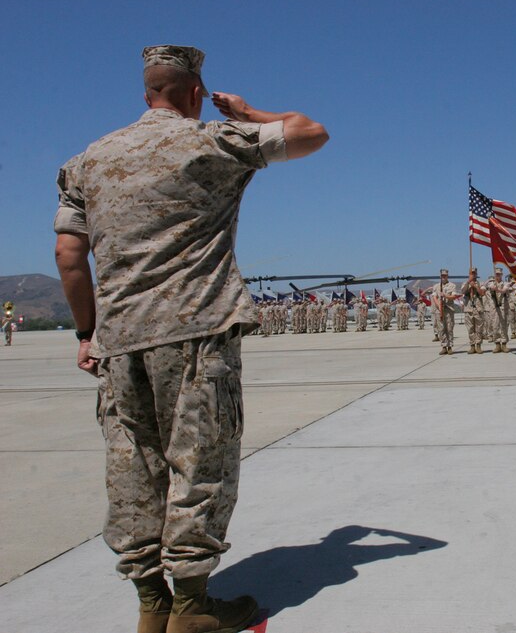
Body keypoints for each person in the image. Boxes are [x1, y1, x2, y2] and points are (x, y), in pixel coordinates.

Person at [53, 45, 328, 633]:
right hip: (195, 331)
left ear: (146, 92)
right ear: (196, 91)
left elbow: (69, 254)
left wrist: (86, 332)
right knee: (200, 462)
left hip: (118, 341)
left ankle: (151, 605)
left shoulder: (87, 162)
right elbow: (311, 133)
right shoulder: (210, 142)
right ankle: (193, 606)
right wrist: (248, 110)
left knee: (134, 467)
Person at [432, 269, 458, 354]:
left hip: (449, 309)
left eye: (445, 275)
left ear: (447, 276)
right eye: (442, 275)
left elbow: (454, 297)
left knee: (449, 328)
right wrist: (439, 306)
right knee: (441, 328)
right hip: (439, 310)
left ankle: (450, 346)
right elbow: (434, 297)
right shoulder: (436, 286)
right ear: (440, 276)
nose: (443, 277)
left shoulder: (452, 285)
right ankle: (444, 346)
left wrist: (445, 296)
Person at [461, 267, 485, 354]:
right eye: (471, 273)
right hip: (469, 309)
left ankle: (478, 345)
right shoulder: (465, 283)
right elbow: (463, 291)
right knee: (470, 329)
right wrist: (468, 283)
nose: (473, 275)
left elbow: (482, 293)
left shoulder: (480, 283)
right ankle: (472, 346)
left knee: (479, 328)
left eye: (474, 273)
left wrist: (475, 286)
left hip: (478, 309)